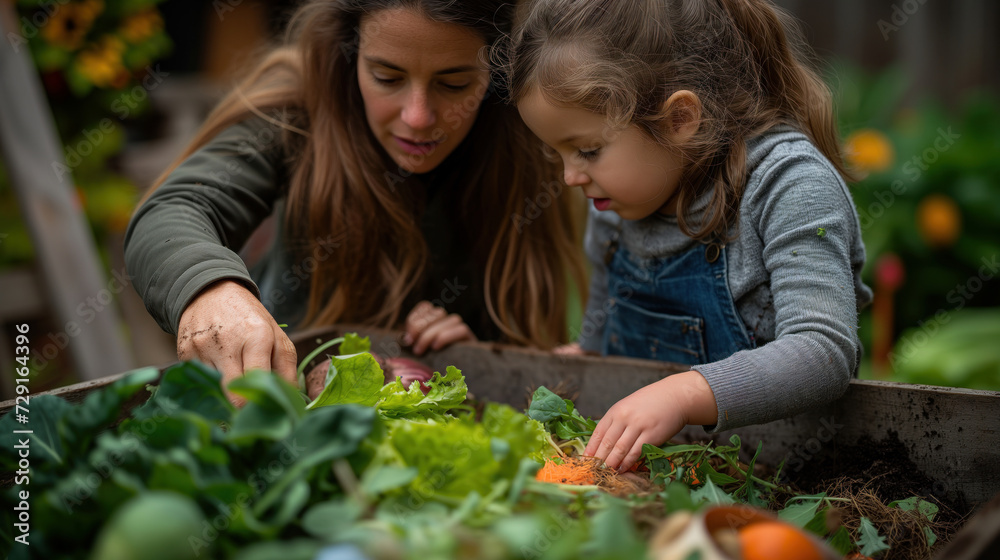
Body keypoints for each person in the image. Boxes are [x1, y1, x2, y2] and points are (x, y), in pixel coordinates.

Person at [125, 0, 586, 405]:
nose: (417, 117)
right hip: (286, 405)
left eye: (454, 84)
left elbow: (522, 361)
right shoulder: (295, 111)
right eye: (387, 77)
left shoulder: (532, 131)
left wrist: (470, 355)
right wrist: (209, 288)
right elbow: (175, 210)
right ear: (350, 54)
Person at [505, 0, 873, 471]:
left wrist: (681, 394)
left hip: (773, 475)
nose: (570, 177)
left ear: (679, 120)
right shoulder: (616, 200)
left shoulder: (789, 186)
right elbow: (605, 310)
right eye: (558, 153)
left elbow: (823, 352)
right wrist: (587, 357)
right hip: (643, 481)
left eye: (588, 150)